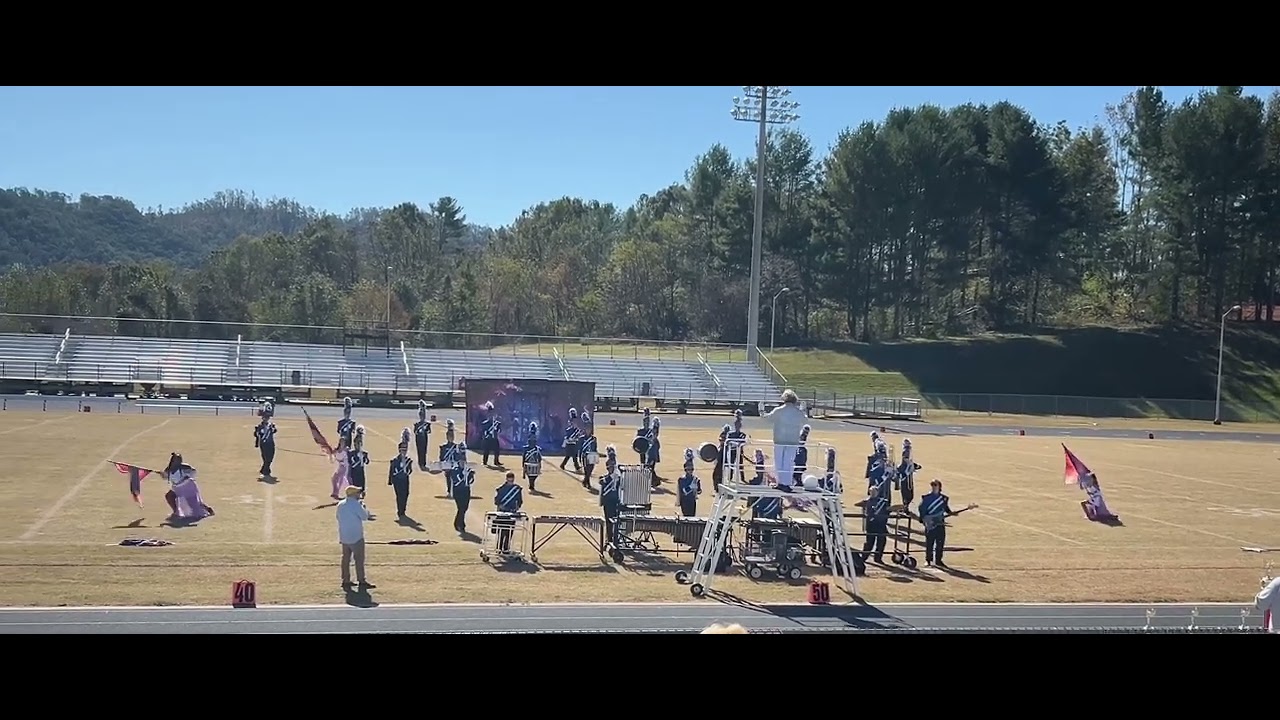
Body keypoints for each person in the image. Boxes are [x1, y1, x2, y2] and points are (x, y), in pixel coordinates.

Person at [765, 389, 806, 491]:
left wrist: (761, 411)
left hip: (779, 440)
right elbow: (805, 420)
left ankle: (780, 482)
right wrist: (803, 410)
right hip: (793, 441)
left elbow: (767, 419)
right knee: (789, 462)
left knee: (779, 462)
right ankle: (786, 483)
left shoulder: (778, 410)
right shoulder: (798, 412)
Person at [336, 485, 375, 591]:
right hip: (356, 536)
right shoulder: (356, 505)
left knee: (345, 559)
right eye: (357, 492)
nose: (359, 494)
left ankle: (345, 580)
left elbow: (338, 517)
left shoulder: (341, 504)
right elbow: (364, 516)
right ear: (353, 494)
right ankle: (361, 580)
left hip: (344, 535)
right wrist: (364, 508)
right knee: (359, 560)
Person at [163, 453, 213, 520]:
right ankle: (176, 512)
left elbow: (194, 472)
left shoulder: (185, 467)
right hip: (178, 489)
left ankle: (208, 509)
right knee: (169, 496)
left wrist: (187, 476)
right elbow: (165, 477)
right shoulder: (168, 470)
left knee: (194, 503)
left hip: (188, 487)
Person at [858, 485, 891, 564]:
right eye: (871, 492)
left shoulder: (883, 502)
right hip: (871, 525)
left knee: (881, 542)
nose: (873, 493)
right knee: (869, 542)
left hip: (881, 524)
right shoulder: (867, 501)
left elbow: (888, 510)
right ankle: (864, 557)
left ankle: (878, 558)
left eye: (874, 492)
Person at [494, 470, 524, 553]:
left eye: (512, 480)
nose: (511, 482)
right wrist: (500, 506)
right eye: (509, 480)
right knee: (501, 531)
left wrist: (516, 508)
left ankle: (506, 548)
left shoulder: (517, 489)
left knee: (509, 531)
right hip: (502, 513)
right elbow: (496, 501)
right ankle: (499, 548)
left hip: (512, 513)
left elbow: (520, 500)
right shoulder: (501, 489)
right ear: (506, 479)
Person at [388, 429, 414, 519]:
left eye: (405, 449)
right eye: (402, 450)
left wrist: (406, 468)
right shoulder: (395, 460)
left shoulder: (409, 460)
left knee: (406, 494)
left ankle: (403, 509)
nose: (404, 451)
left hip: (405, 479)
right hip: (397, 480)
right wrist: (390, 481)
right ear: (399, 450)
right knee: (399, 495)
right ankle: (400, 511)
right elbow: (392, 471)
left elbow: (410, 471)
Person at [600, 445, 622, 548]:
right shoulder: (608, 475)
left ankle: (613, 540)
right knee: (609, 522)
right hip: (609, 500)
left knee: (614, 522)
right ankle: (609, 540)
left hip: (615, 500)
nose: (610, 467)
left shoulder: (618, 474)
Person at [253, 403, 277, 479]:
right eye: (264, 417)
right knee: (266, 458)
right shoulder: (259, 426)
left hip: (271, 444)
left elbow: (274, 430)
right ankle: (265, 471)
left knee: (270, 458)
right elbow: (256, 435)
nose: (265, 419)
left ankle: (265, 470)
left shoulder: (271, 425)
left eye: (267, 417)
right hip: (264, 444)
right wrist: (257, 442)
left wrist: (272, 428)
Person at [677, 448, 700, 518]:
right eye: (688, 469)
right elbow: (684, 491)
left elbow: (699, 491)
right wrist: (692, 486)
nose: (690, 471)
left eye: (692, 469)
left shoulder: (695, 479)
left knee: (692, 516)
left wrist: (697, 487)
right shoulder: (681, 479)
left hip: (692, 501)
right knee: (686, 517)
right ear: (685, 470)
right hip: (685, 501)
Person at [578, 412, 598, 490]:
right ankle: (587, 482)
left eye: (589, 429)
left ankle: (585, 480)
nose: (588, 430)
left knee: (591, 469)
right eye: (587, 429)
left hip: (592, 455)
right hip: (585, 455)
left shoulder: (593, 438)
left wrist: (596, 455)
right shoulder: (582, 438)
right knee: (586, 469)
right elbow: (580, 448)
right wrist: (579, 456)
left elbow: (595, 448)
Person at [452, 468, 475, 533]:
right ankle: (460, 524)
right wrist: (466, 475)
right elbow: (457, 482)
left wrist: (471, 475)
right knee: (461, 508)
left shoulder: (466, 470)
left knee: (464, 508)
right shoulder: (455, 470)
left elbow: (470, 482)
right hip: (458, 492)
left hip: (466, 492)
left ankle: (458, 523)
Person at [522, 422, 543, 492]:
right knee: (531, 474)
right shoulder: (530, 439)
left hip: (533, 461)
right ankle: (531, 484)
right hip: (530, 461)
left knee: (533, 475)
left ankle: (531, 484)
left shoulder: (536, 447)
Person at [480, 401, 502, 467]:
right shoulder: (485, 423)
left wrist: (497, 430)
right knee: (486, 451)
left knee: (497, 450)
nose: (491, 415)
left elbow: (499, 431)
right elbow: (483, 431)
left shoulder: (497, 423)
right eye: (490, 413)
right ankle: (484, 462)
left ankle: (496, 461)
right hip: (488, 439)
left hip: (494, 438)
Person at [561, 408, 582, 472]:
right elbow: (571, 429)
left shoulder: (574, 421)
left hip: (573, 441)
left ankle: (563, 465)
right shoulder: (570, 422)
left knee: (571, 455)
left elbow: (575, 429)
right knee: (572, 455)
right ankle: (577, 467)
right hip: (570, 441)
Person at [413, 400, 432, 471]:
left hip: (424, 439)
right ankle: (420, 463)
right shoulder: (417, 424)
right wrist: (419, 430)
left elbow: (429, 431)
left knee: (424, 451)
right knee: (419, 451)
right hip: (419, 439)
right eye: (421, 415)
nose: (422, 417)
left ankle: (423, 463)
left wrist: (426, 429)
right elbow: (415, 432)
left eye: (423, 416)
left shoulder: (427, 424)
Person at [330, 435, 351, 501]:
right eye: (341, 441)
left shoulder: (346, 449)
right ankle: (336, 492)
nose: (342, 442)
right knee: (334, 479)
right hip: (340, 466)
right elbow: (333, 458)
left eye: (343, 441)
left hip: (344, 467)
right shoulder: (336, 450)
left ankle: (336, 493)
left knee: (341, 480)